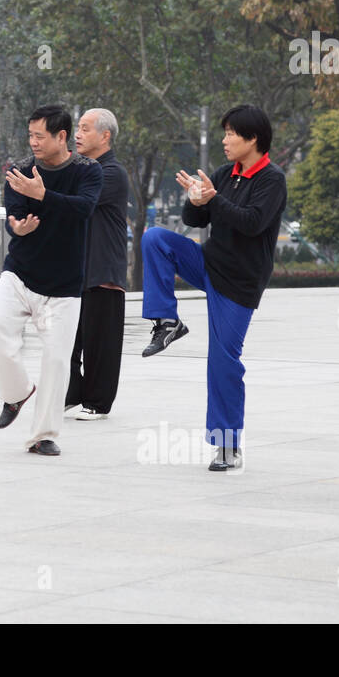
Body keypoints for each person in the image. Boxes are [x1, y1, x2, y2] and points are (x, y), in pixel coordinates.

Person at [139, 104, 286, 472]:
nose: (225, 140)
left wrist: (213, 198)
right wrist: (195, 200)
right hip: (208, 262)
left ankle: (226, 446)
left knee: (223, 362)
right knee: (156, 238)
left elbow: (251, 223)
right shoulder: (224, 173)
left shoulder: (271, 179)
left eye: (231, 134)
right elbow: (196, 219)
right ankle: (167, 322)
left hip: (239, 282)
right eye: (224, 133)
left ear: (253, 139)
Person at [0, 105, 103, 457]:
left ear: (62, 137)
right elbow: (14, 214)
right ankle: (16, 393)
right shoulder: (20, 170)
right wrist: (16, 226)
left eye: (40, 136)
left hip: (63, 286)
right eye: (30, 135)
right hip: (20, 273)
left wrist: (43, 196)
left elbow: (83, 209)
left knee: (56, 359)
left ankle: (43, 435)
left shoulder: (87, 170)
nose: (33, 142)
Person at [64, 108, 129, 420]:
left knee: (100, 344)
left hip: (104, 271)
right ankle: (72, 394)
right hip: (78, 271)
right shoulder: (82, 169)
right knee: (68, 340)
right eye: (77, 127)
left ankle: (98, 402)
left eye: (85, 128)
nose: (77, 134)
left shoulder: (111, 172)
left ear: (105, 136)